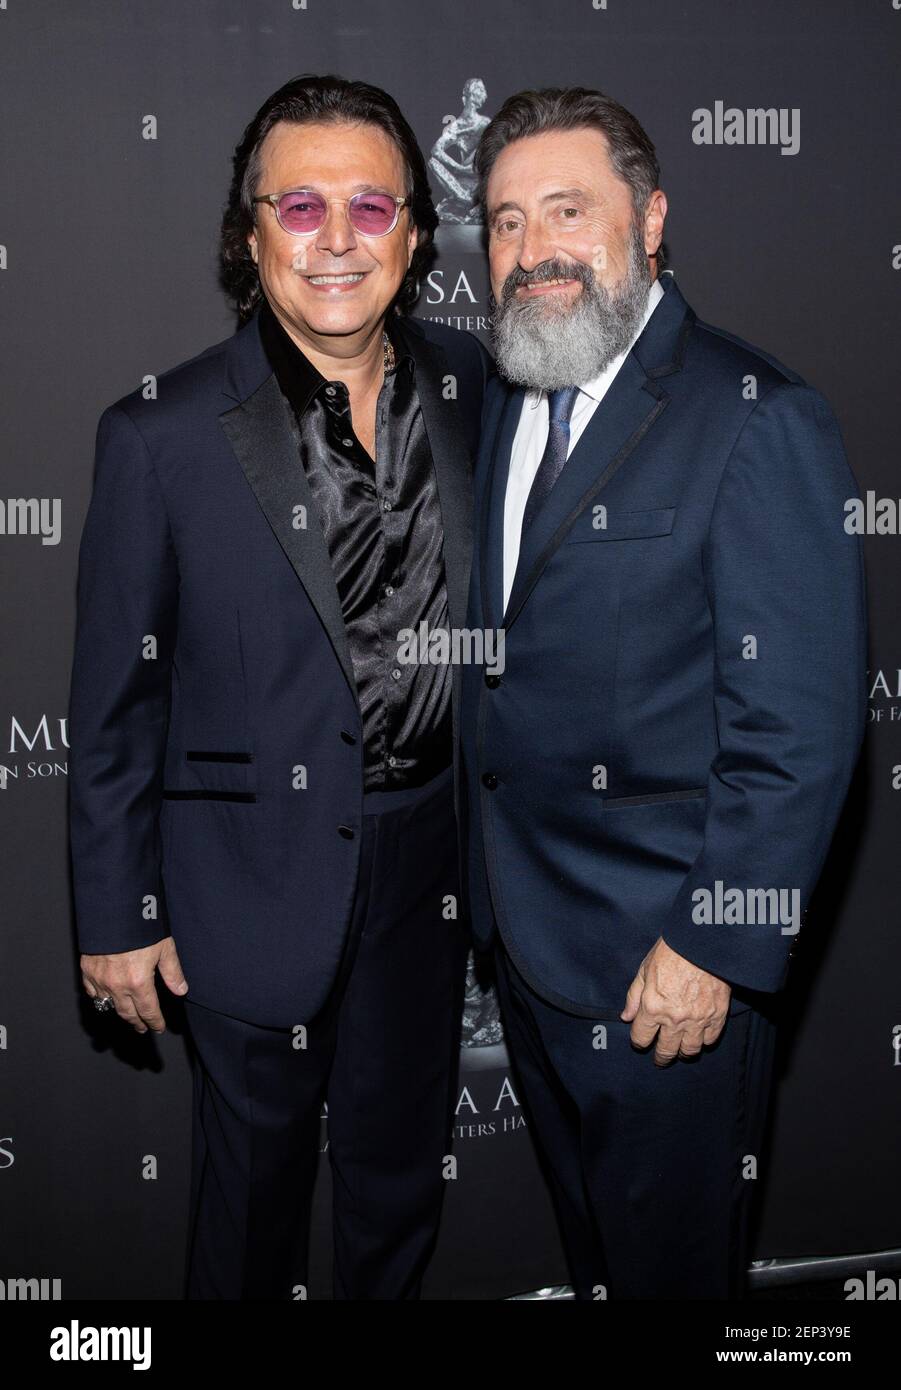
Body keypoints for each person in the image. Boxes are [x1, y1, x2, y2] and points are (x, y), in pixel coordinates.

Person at [68, 73, 491, 1300]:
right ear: (247, 233)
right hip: (244, 883)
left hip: (431, 867)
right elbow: (110, 708)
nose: (339, 240)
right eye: (300, 206)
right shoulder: (159, 433)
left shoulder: (480, 391)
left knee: (398, 1188)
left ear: (416, 234)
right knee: (247, 1213)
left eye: (373, 205)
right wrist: (115, 912)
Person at [460, 85, 867, 1299]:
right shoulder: (508, 393)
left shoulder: (756, 417)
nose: (533, 250)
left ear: (649, 221)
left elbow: (798, 723)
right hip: (525, 947)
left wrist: (715, 944)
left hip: (663, 973)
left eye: (567, 211)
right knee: (597, 1264)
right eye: (505, 221)